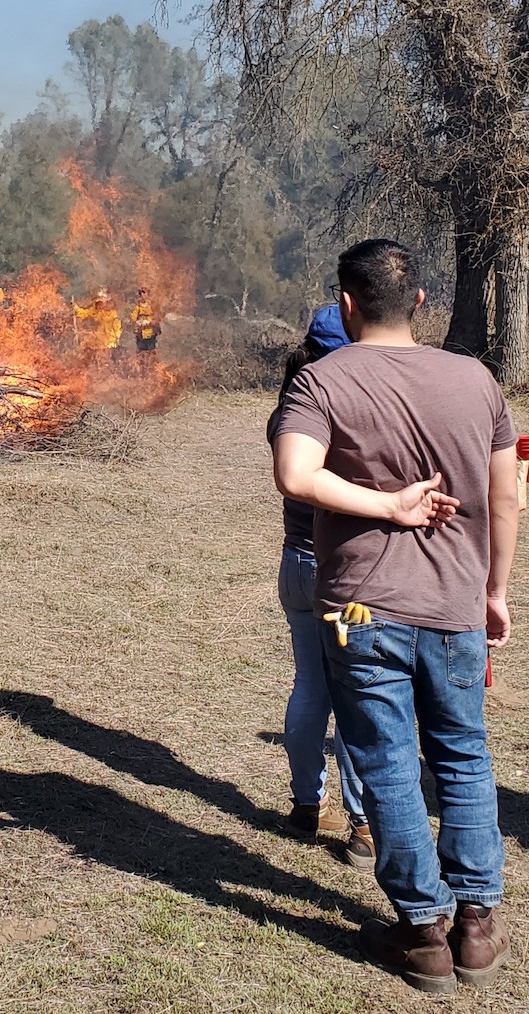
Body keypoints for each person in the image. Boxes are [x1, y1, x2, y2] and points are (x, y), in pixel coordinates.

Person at [272, 239, 518, 995]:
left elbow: (295, 475)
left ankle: (423, 933)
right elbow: (505, 497)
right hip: (455, 607)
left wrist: (384, 506)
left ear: (346, 303)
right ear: (418, 302)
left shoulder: (321, 379)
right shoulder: (476, 379)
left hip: (361, 609)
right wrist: (495, 591)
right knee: (464, 756)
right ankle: (475, 926)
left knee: (386, 763)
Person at [267, 305, 371, 869]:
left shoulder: (289, 408)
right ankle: (364, 826)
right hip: (345, 571)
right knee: (358, 692)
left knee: (310, 687)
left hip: (296, 563)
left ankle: (307, 805)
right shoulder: (353, 409)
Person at [73, 288, 122, 366]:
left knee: (104, 358)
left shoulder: (113, 314)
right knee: (86, 345)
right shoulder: (96, 311)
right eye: (97, 303)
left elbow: (117, 328)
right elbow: (84, 313)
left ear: (105, 303)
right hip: (99, 337)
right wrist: (75, 308)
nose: (99, 305)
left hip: (109, 340)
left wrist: (116, 338)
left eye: (100, 303)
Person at [128, 286, 160, 358]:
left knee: (151, 351)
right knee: (141, 352)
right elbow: (133, 318)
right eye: (141, 295)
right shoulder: (138, 307)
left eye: (145, 294)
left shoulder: (152, 306)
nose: (143, 296)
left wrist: (150, 322)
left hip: (151, 332)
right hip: (141, 333)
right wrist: (138, 322)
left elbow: (156, 317)